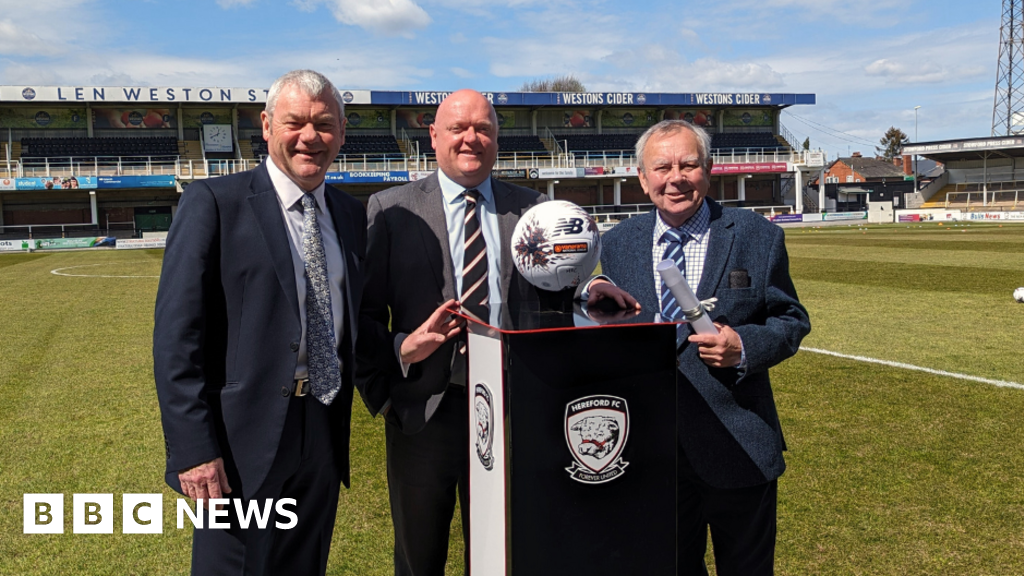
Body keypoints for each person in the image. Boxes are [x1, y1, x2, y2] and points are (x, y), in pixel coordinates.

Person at [153, 69, 365, 576]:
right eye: (295, 122)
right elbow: (177, 339)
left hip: (321, 426)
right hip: (238, 438)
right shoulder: (214, 203)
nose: (310, 137)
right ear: (267, 125)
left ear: (340, 132)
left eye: (324, 124)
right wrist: (193, 448)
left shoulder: (350, 214)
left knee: (303, 563)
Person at [586, 120, 810, 575]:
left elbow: (791, 320)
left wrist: (743, 346)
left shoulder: (756, 235)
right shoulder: (617, 243)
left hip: (739, 445)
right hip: (650, 450)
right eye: (662, 166)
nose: (676, 178)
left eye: (688, 164)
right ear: (642, 177)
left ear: (708, 170)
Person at [356, 89, 561, 576]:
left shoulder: (531, 208)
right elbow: (362, 315)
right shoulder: (390, 209)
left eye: (484, 129)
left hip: (510, 407)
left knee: (499, 553)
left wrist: (594, 282)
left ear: (497, 137)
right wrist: (390, 377)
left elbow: (565, 280)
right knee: (417, 554)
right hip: (423, 410)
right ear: (433, 136)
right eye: (458, 128)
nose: (472, 138)